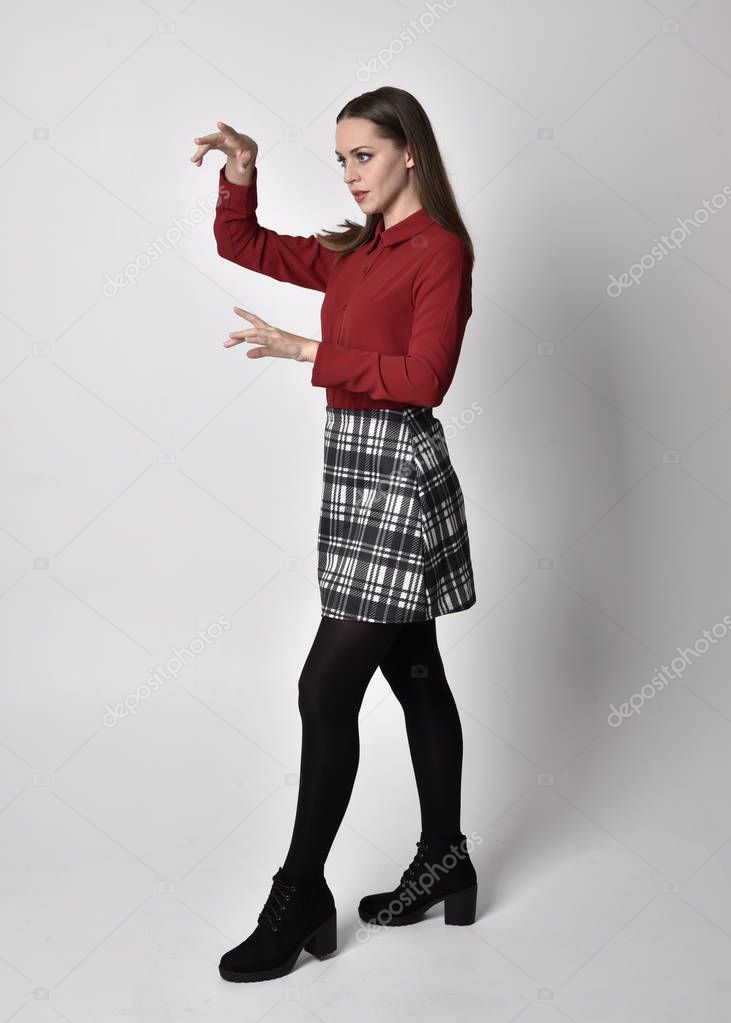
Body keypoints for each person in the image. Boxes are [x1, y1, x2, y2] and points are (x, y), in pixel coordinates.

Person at [191, 86, 479, 984]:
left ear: (410, 155)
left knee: (326, 684)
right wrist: (243, 177)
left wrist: (306, 352)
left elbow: (426, 376)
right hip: (350, 465)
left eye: (364, 154)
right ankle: (445, 861)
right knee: (413, 666)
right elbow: (241, 243)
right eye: (342, 158)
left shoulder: (439, 251)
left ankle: (299, 891)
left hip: (398, 467)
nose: (351, 173)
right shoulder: (354, 251)